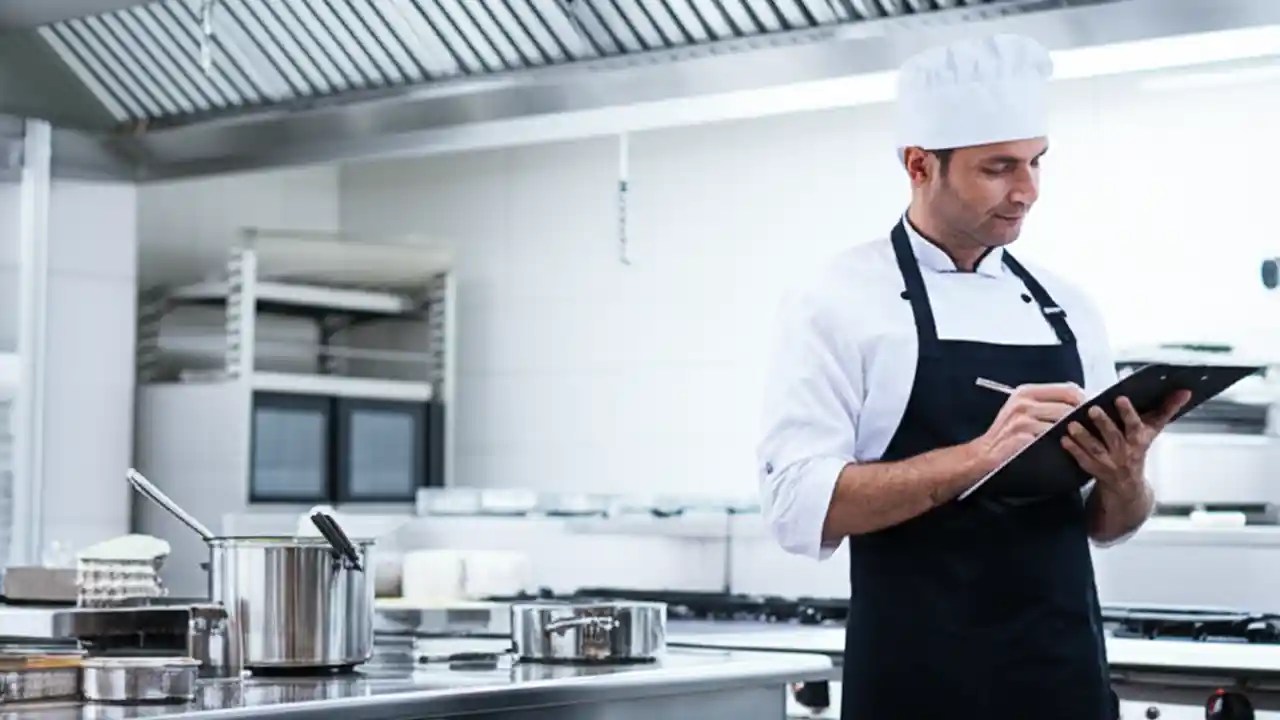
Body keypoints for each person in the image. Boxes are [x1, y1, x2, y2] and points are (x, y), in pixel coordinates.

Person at [755, 33, 1191, 719]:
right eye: (998, 168)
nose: (1028, 191)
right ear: (919, 165)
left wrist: (1125, 476)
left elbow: (1107, 526)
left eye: (1037, 162)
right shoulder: (837, 300)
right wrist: (980, 458)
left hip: (1064, 684)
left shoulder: (1068, 308)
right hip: (917, 688)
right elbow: (794, 506)